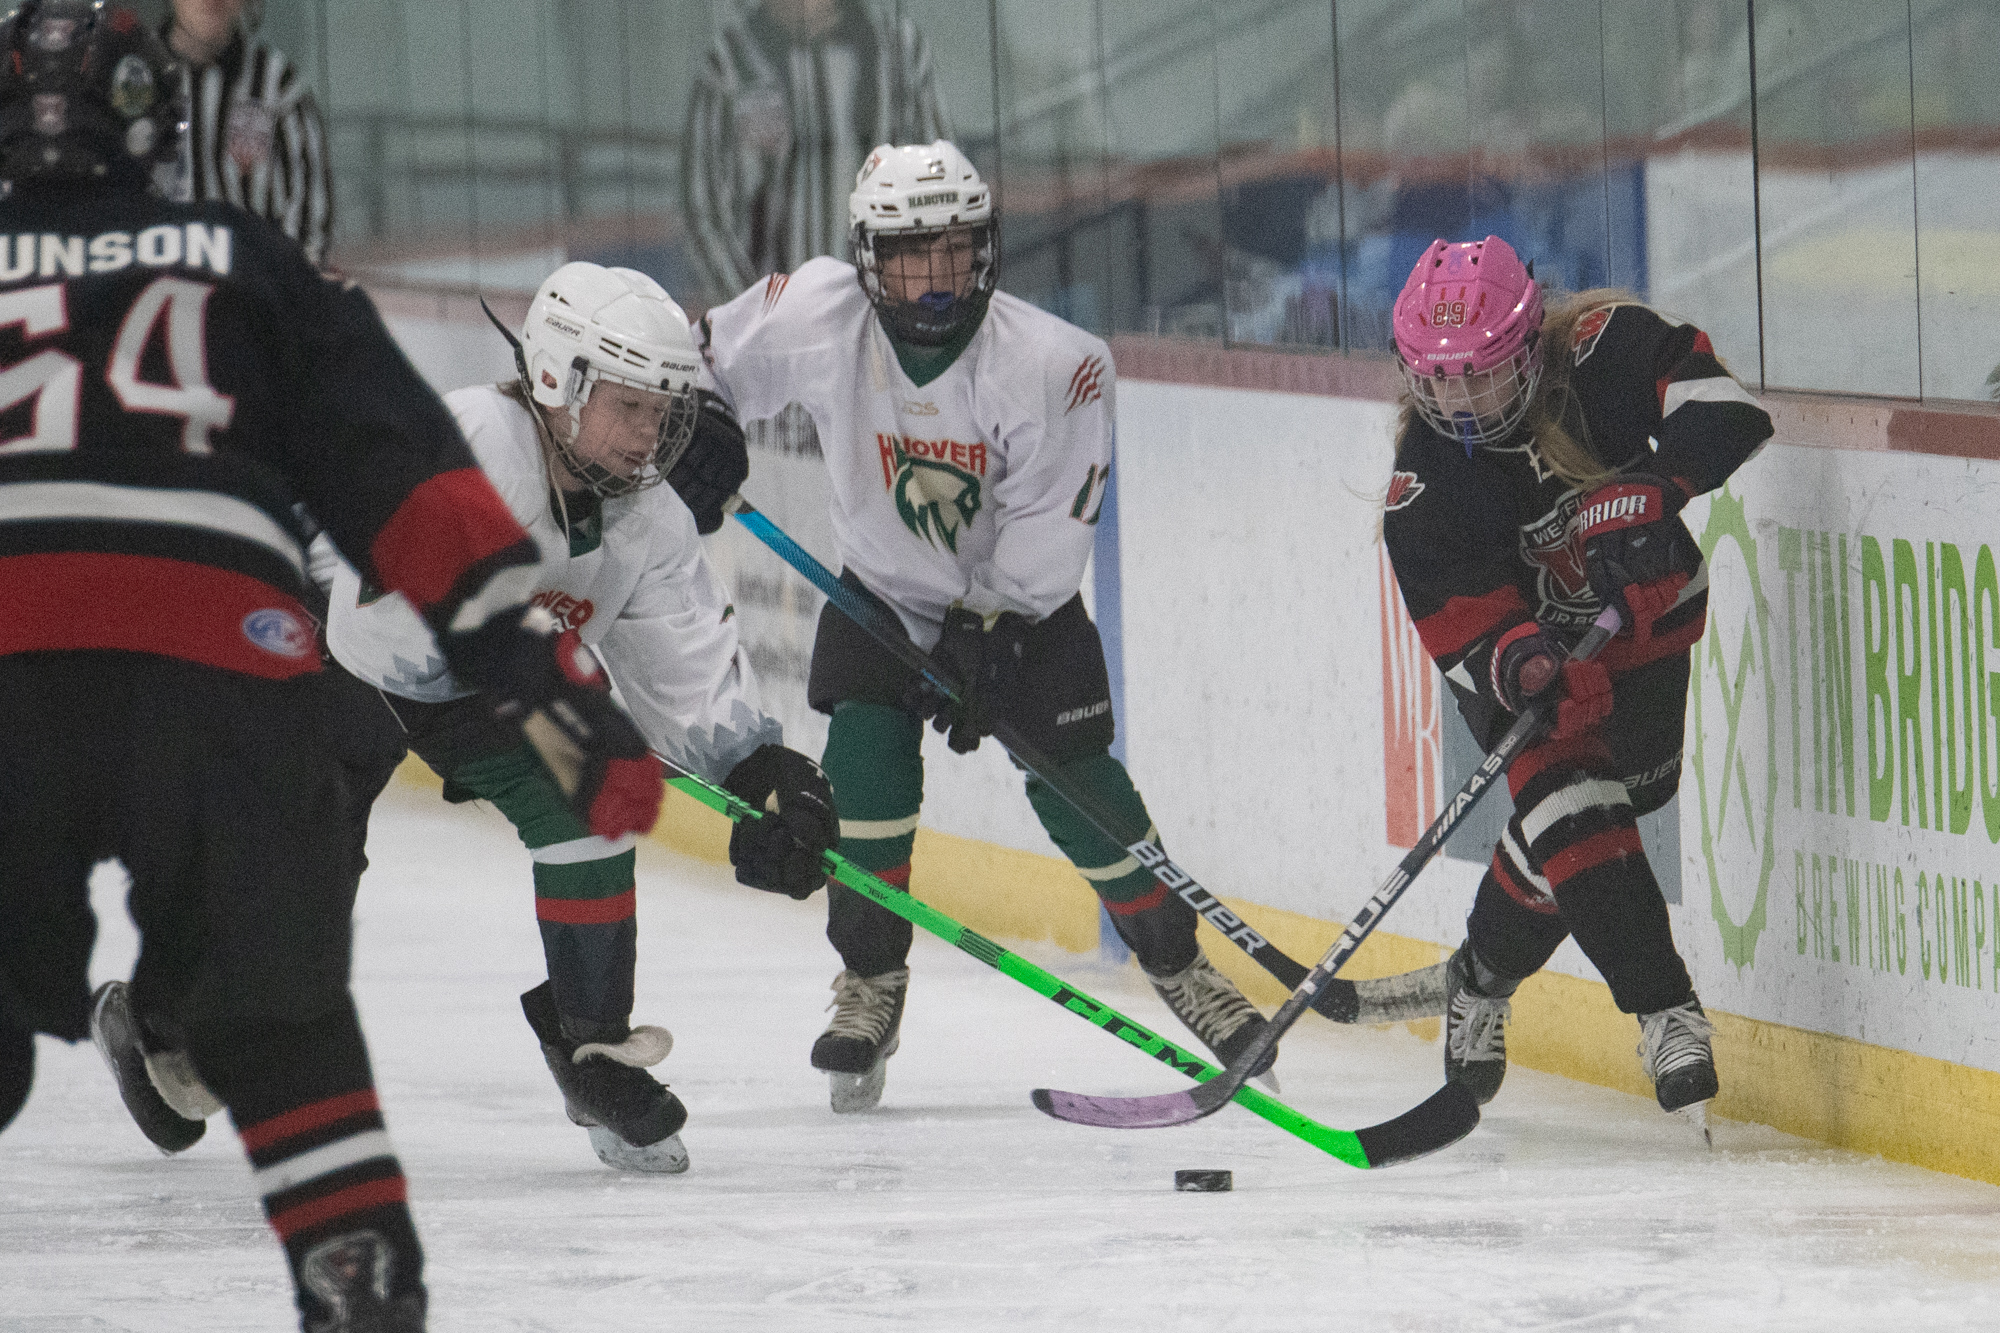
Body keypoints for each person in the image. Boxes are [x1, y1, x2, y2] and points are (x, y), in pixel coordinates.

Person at [0, 5, 662, 1331]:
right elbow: (397, 471)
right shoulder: (241, 257)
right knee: (286, 1007)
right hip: (208, 666)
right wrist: (523, 666)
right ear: (159, 127)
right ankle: (351, 1273)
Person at [699, 139, 1277, 1113]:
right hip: (878, 589)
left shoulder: (1053, 364)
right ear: (867, 252)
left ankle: (1182, 968)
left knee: (1076, 786)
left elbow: (1051, 529)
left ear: (987, 247)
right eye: (908, 253)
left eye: (955, 249)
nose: (933, 277)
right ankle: (871, 978)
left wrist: (983, 634)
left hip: (1015, 608)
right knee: (865, 770)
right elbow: (694, 369)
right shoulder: (815, 310)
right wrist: (697, 439)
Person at [317, 261, 838, 1173]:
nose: (653, 433)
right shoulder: (474, 443)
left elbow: (682, 658)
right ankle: (165, 1022)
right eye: (632, 406)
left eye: (664, 411)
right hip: (335, 660)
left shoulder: (647, 517)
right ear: (558, 380)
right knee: (292, 883)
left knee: (592, 801)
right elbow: (395, 619)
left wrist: (760, 774)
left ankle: (592, 1047)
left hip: (484, 690)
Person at [1378, 234, 1772, 1128]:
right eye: (1435, 378)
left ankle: (1478, 974)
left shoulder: (1600, 345)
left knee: (1618, 808)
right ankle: (1665, 1011)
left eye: (1477, 373)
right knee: (1570, 805)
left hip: (1645, 630)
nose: (1456, 399)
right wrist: (1529, 665)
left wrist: (1655, 485)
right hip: (1532, 673)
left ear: (1528, 346)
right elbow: (1470, 628)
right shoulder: (1422, 486)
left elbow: (1730, 408)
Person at [163, 0, 331, 267]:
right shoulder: (136, 79)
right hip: (156, 295)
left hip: (254, 298)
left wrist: (272, 290)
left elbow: (311, 221)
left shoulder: (278, 85)